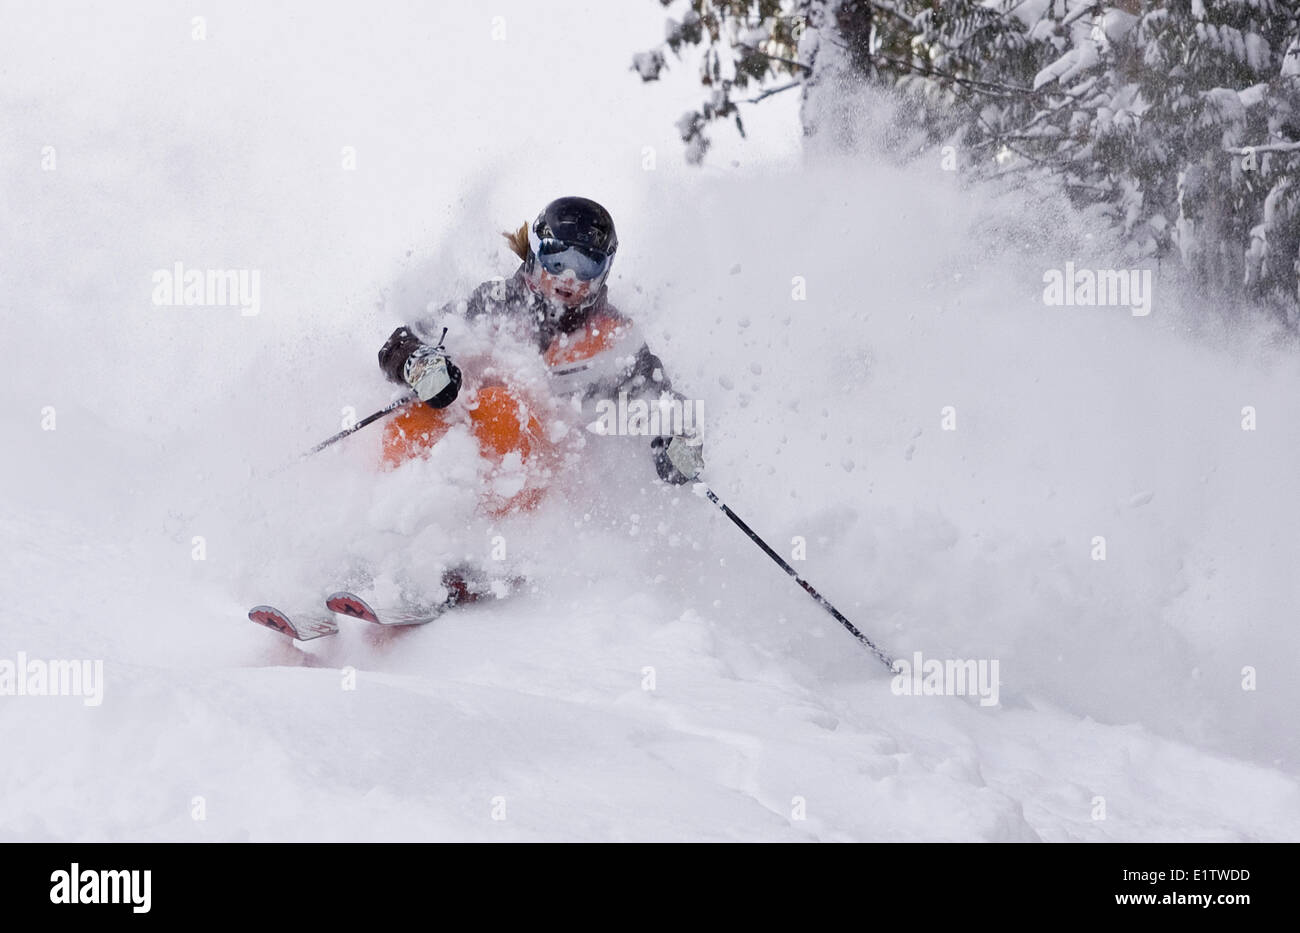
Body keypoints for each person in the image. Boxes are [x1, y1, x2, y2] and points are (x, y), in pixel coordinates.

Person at [373, 196, 705, 604]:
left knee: (501, 409)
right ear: (533, 254)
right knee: (417, 412)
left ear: (604, 273)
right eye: (556, 257)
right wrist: (421, 365)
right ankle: (386, 534)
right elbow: (399, 344)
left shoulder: (611, 338)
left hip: (539, 479)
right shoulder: (490, 303)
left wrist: (679, 442)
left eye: (587, 265)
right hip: (463, 460)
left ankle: (472, 548)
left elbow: (662, 400)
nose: (569, 276)